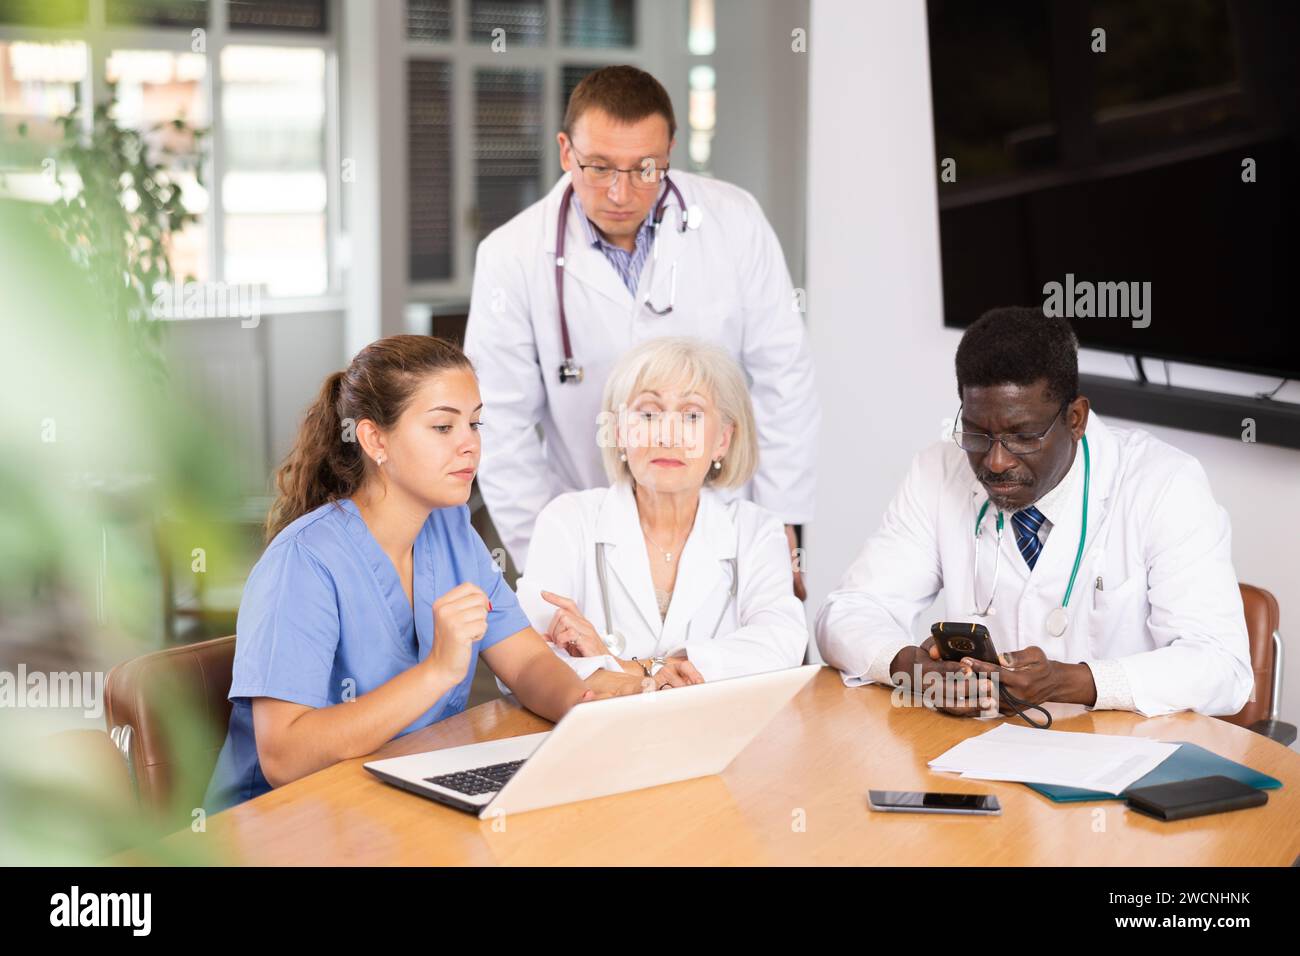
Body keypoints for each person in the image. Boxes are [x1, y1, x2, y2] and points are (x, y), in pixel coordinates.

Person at [205, 335, 607, 811]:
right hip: (280, 824)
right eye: (442, 427)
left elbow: (527, 663)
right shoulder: (304, 561)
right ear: (375, 439)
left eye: (475, 424)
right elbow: (284, 757)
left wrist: (589, 705)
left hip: (393, 798)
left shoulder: (452, 531)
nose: (469, 445)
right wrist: (436, 671)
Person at [463, 65, 818, 597]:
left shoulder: (734, 221)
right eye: (599, 167)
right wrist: (552, 558)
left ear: (671, 150)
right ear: (566, 151)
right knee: (601, 678)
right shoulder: (510, 256)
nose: (620, 192)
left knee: (739, 669)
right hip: (590, 529)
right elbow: (501, 426)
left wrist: (777, 523)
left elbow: (783, 378)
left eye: (645, 168)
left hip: (724, 525)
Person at [816, 307, 1253, 718]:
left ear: (1076, 419)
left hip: (1118, 762)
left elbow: (1221, 667)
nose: (996, 462)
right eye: (977, 434)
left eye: (1023, 436)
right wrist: (914, 670)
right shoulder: (938, 469)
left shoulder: (1163, 484)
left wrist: (1073, 682)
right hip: (980, 755)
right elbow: (846, 614)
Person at [509, 338, 808, 694]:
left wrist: (631, 668)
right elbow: (521, 658)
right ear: (619, 433)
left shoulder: (756, 530)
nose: (667, 435)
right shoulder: (568, 520)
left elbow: (783, 644)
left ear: (723, 441)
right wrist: (658, 677)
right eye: (648, 414)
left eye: (692, 415)